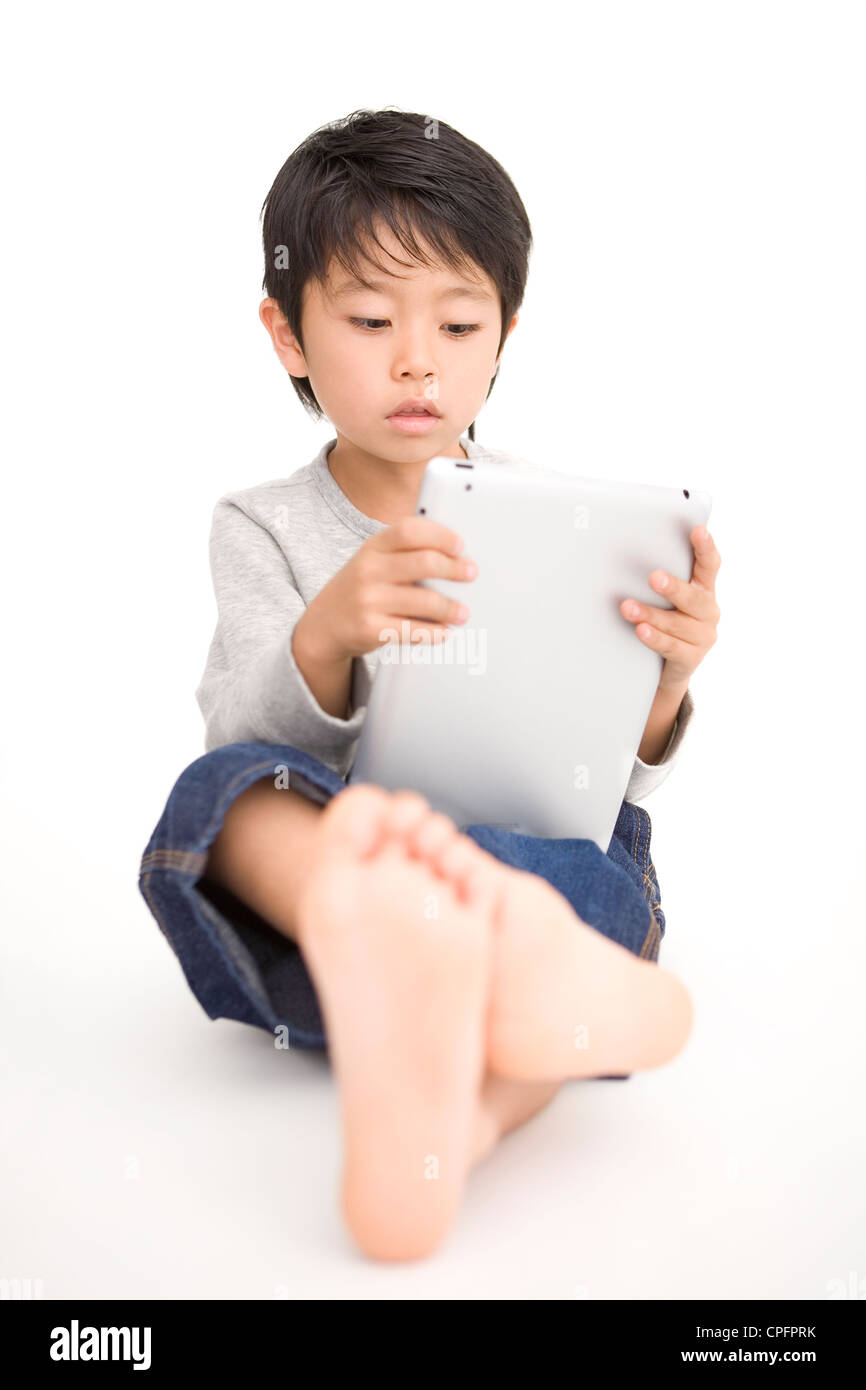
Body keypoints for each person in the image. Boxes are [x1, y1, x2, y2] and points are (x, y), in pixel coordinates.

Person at [138, 108, 721, 1263]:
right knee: (218, 795)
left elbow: (615, 773)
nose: (417, 358)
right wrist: (326, 631)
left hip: (526, 861)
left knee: (593, 852)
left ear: (502, 332)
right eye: (368, 320)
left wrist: (664, 677)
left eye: (457, 323)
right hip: (350, 887)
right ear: (287, 334)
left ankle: (456, 1112)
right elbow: (242, 734)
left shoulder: (562, 520)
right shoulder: (263, 523)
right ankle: (451, 976)